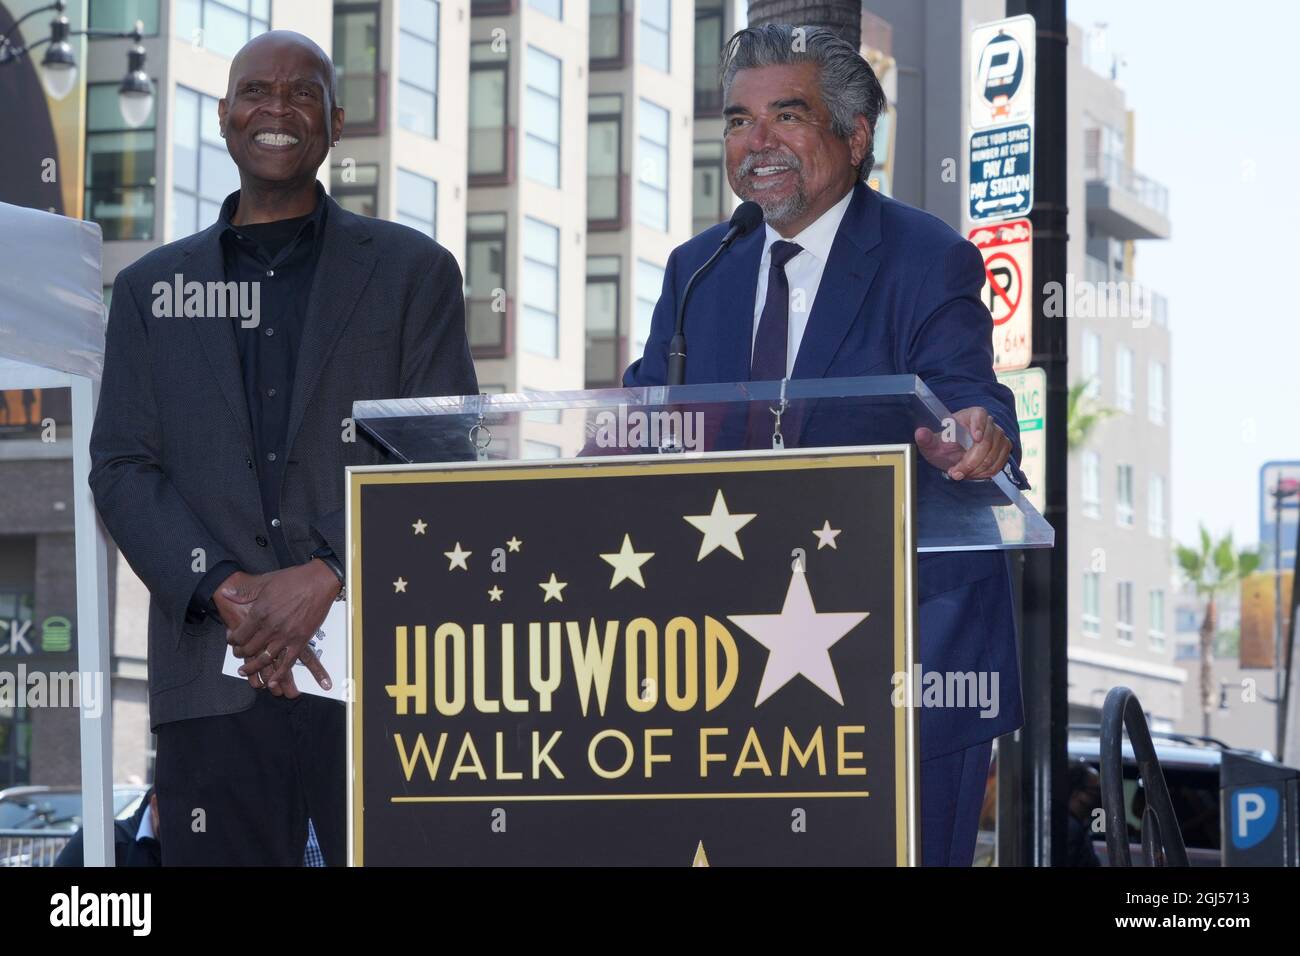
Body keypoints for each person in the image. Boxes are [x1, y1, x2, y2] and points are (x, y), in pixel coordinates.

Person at [624, 24, 1027, 866]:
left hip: (903, 660)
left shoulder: (927, 258)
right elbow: (642, 413)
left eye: (785, 115)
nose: (755, 142)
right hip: (728, 669)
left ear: (854, 135)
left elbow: (968, 396)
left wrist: (978, 437)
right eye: (738, 121)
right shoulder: (700, 269)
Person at [89, 31, 477, 865]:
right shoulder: (150, 292)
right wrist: (226, 592)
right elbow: (121, 466)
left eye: (302, 93)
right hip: (210, 682)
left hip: (383, 681)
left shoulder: (415, 273)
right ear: (225, 119)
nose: (278, 109)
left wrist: (330, 572)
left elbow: (445, 450)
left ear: (335, 122)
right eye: (256, 93)